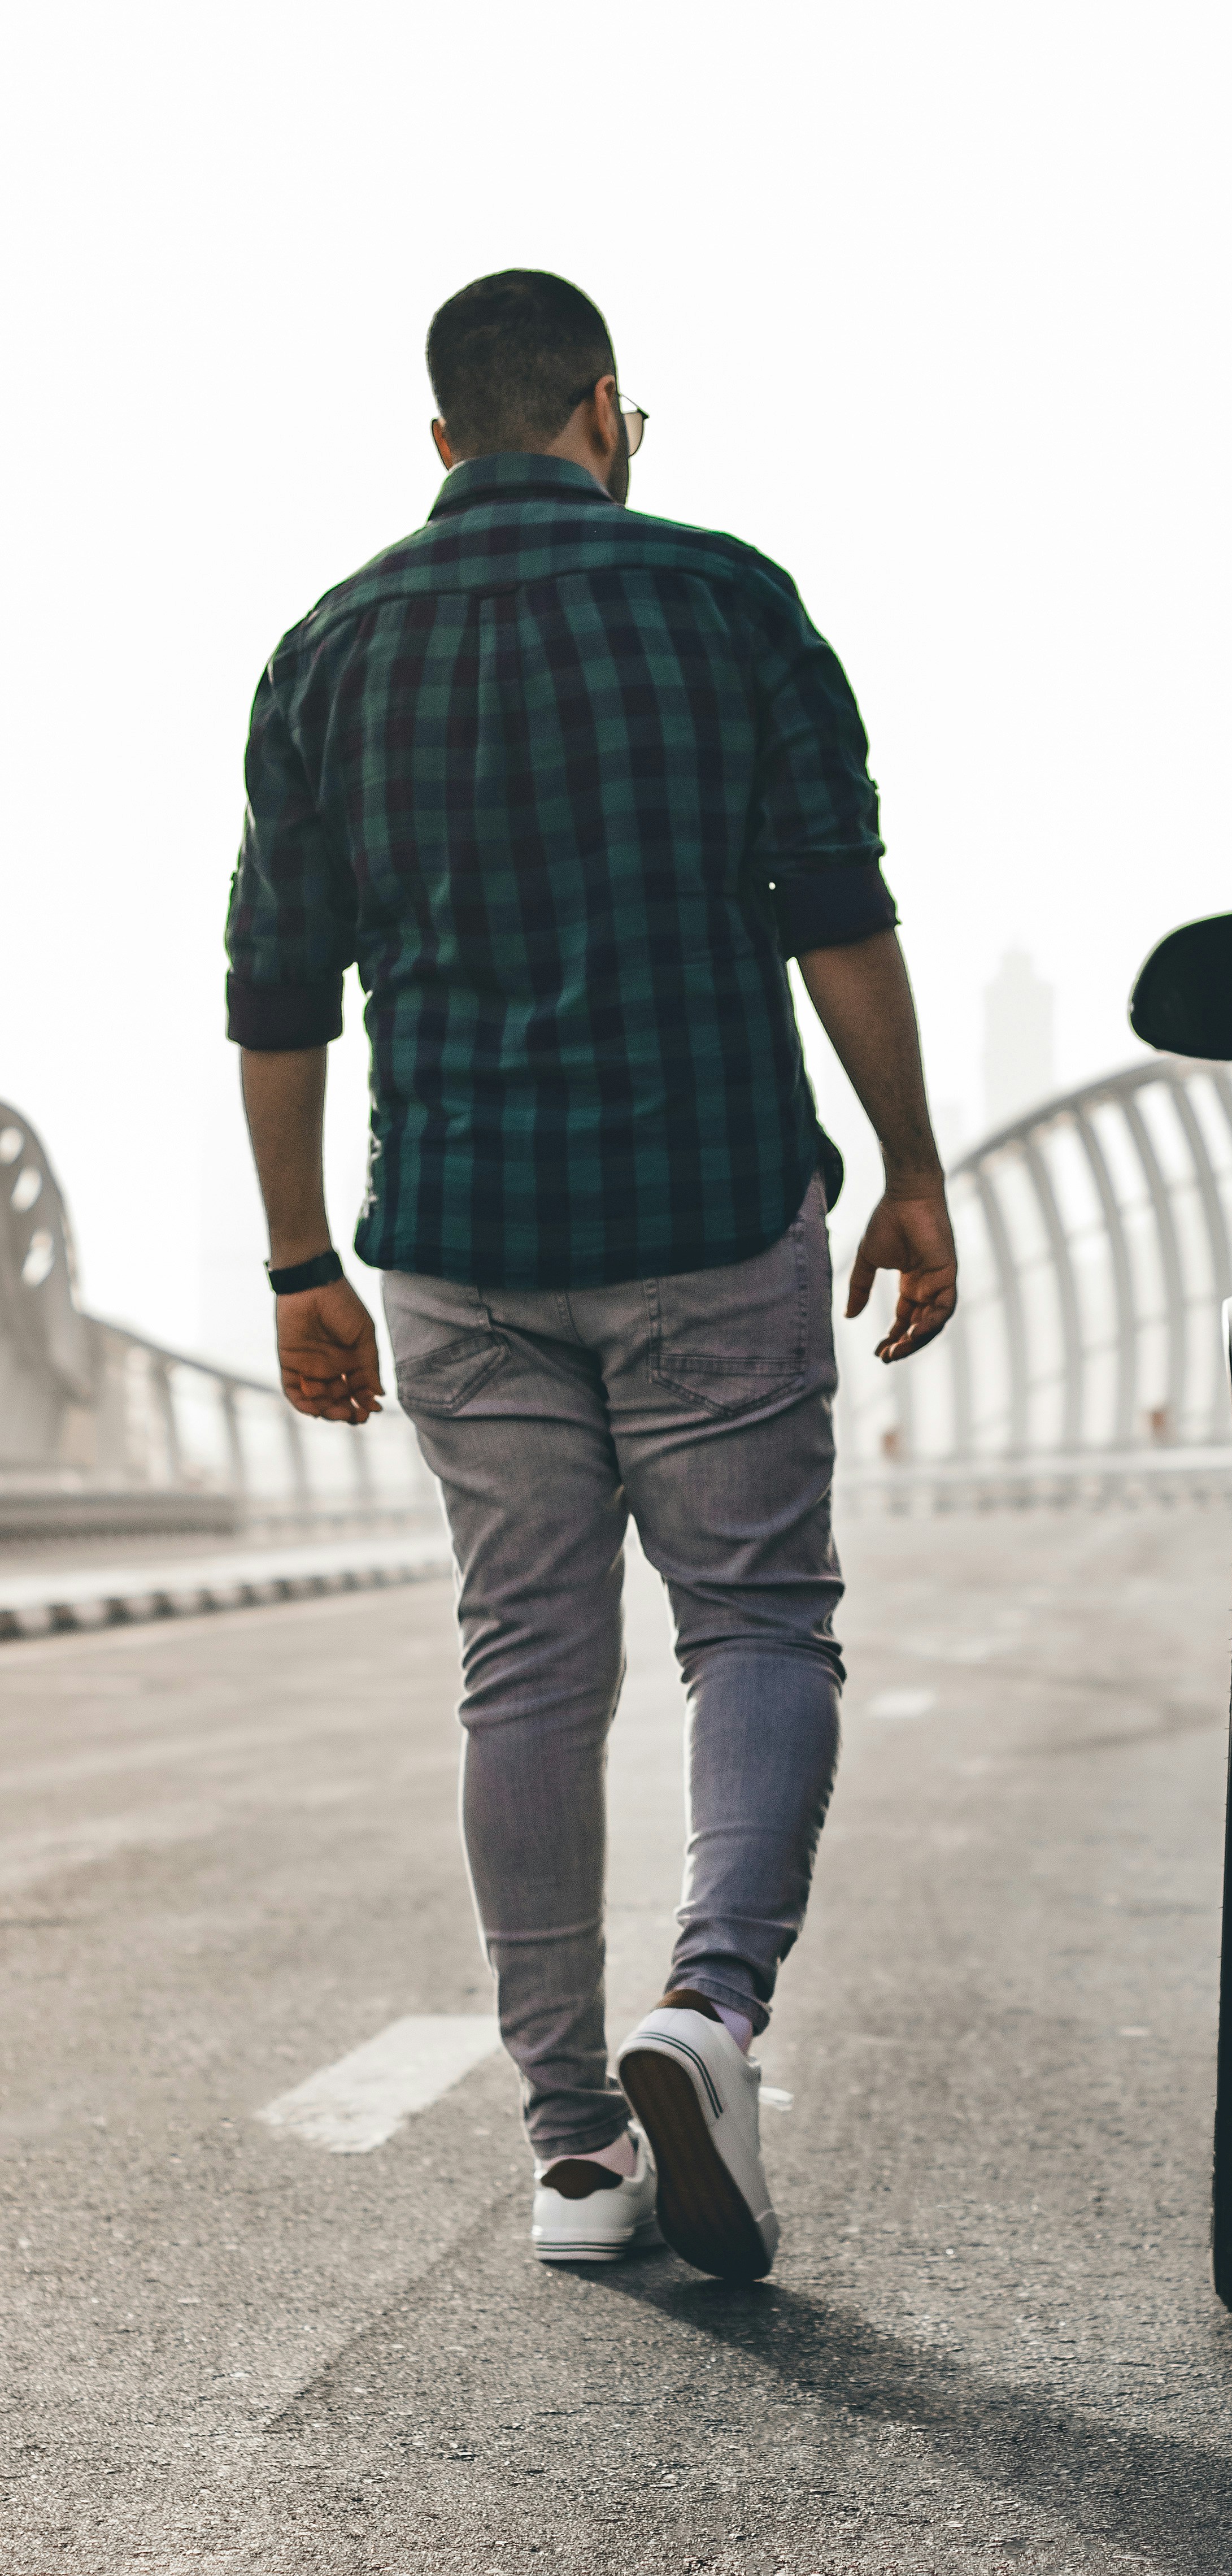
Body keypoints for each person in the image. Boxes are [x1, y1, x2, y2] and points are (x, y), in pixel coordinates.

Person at [225, 269, 956, 2279]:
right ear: (609, 411)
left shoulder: (330, 650)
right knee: (755, 1626)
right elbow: (841, 912)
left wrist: (301, 1260)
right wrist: (910, 1168)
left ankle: (568, 2150)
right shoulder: (730, 602)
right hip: (713, 1208)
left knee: (527, 1666)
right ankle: (707, 2014)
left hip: (459, 1246)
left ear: (444, 440)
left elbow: (275, 996)